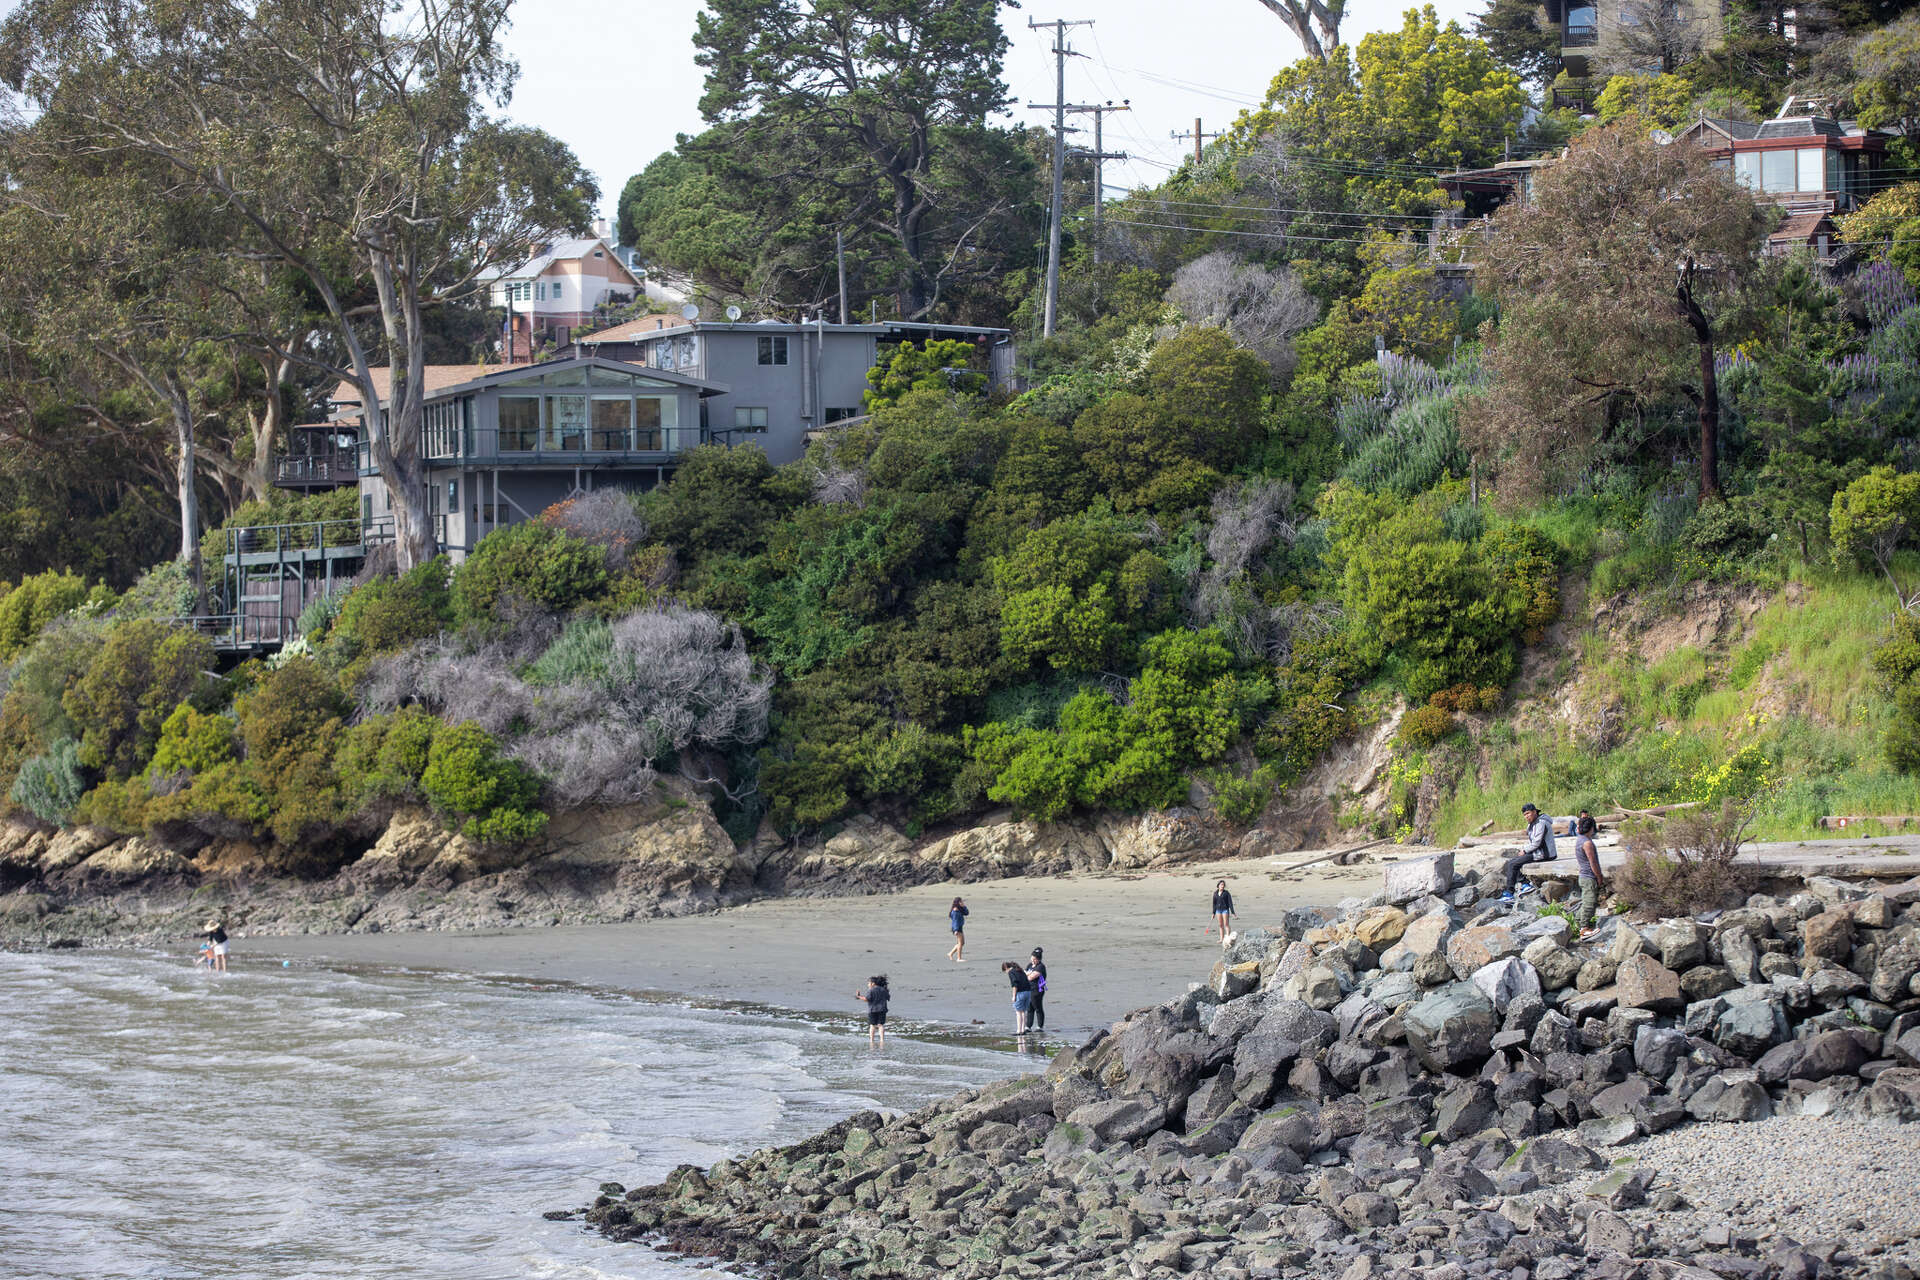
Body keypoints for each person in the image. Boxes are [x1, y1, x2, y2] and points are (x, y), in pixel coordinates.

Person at [1500, 804, 1556, 902]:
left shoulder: (1541, 823)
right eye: (1524, 815)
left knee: (1513, 864)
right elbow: (1533, 842)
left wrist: (1525, 850)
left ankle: (1509, 894)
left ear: (1534, 812)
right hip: (1537, 852)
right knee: (1513, 861)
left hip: (1545, 854)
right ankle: (1525, 884)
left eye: (1528, 813)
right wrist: (1524, 850)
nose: (1526, 816)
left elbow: (1537, 843)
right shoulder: (1531, 824)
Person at [1572, 810, 1606, 938]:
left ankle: (1577, 923)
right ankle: (1584, 928)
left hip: (1583, 876)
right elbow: (1593, 863)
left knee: (1586, 900)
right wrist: (1599, 876)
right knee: (1589, 902)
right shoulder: (1587, 843)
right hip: (1589, 876)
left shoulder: (1580, 839)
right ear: (1592, 828)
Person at [854, 974, 890, 1047]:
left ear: (873, 983)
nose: (868, 985)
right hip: (882, 1009)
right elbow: (888, 998)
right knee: (880, 1025)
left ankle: (871, 1041)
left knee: (872, 1025)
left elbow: (867, 999)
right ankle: (882, 1040)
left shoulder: (871, 990)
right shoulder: (884, 990)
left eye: (869, 983)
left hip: (873, 1010)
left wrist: (859, 996)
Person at [1001, 960, 1033, 1037]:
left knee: (1018, 1012)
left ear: (1006, 968)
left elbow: (1014, 985)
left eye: (1005, 971)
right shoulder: (1020, 970)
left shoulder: (1011, 972)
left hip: (1020, 993)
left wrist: (1014, 996)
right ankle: (1023, 1030)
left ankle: (1019, 1030)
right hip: (1028, 992)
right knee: (1024, 1012)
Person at [1024, 948, 1048, 1032]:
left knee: (1037, 1007)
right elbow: (1024, 974)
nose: (1033, 960)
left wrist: (1028, 973)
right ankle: (1028, 1026)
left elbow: (1030, 978)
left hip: (1037, 990)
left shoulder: (1041, 967)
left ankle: (1039, 1027)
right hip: (1029, 989)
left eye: (1034, 959)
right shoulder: (1030, 965)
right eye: (1032, 958)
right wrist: (1028, 973)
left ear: (1039, 959)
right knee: (1029, 1008)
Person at [1210, 880, 1235, 947]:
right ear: (1218, 886)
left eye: (1223, 885)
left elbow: (1230, 903)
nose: (1222, 886)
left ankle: (1228, 939)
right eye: (1221, 884)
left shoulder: (1226, 893)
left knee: (1226, 924)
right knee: (1220, 925)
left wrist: (1232, 912)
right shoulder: (1215, 893)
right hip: (1218, 911)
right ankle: (1221, 939)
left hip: (1225, 910)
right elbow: (1214, 904)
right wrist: (1213, 913)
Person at [947, 897, 969, 961]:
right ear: (957, 903)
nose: (962, 902)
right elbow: (955, 921)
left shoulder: (959, 909)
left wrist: (964, 906)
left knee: (962, 943)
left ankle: (950, 953)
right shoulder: (955, 911)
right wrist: (956, 930)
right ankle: (959, 958)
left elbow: (966, 913)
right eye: (961, 902)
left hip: (959, 927)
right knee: (960, 943)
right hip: (957, 928)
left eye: (962, 902)